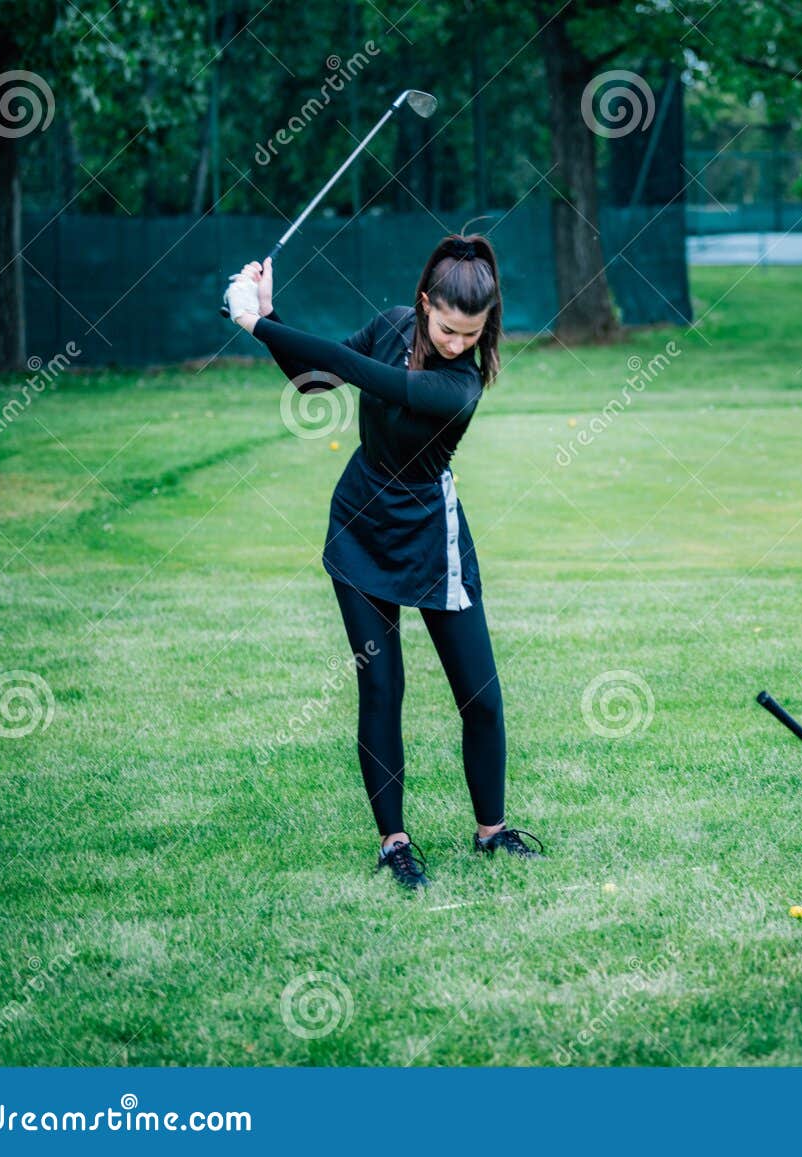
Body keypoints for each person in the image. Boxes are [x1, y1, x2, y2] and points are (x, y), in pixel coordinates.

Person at [224, 235, 543, 893]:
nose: (458, 342)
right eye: (448, 328)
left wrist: (257, 325)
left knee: (481, 695)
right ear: (424, 305)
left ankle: (492, 830)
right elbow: (315, 379)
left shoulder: (461, 383)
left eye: (472, 333)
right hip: (362, 524)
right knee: (381, 686)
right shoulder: (393, 323)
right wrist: (269, 313)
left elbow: (367, 375)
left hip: (430, 530)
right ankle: (392, 841)